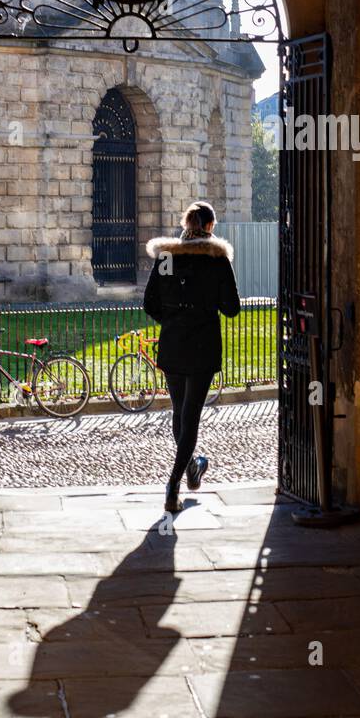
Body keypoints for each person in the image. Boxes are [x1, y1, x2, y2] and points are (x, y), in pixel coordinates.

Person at [143, 201, 241, 513]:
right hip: (203, 343)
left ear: (186, 223)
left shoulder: (169, 256)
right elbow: (231, 308)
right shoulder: (216, 259)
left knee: (179, 412)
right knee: (191, 415)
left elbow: (150, 303)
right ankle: (173, 485)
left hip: (173, 342)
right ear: (210, 226)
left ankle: (191, 470)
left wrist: (172, 321)